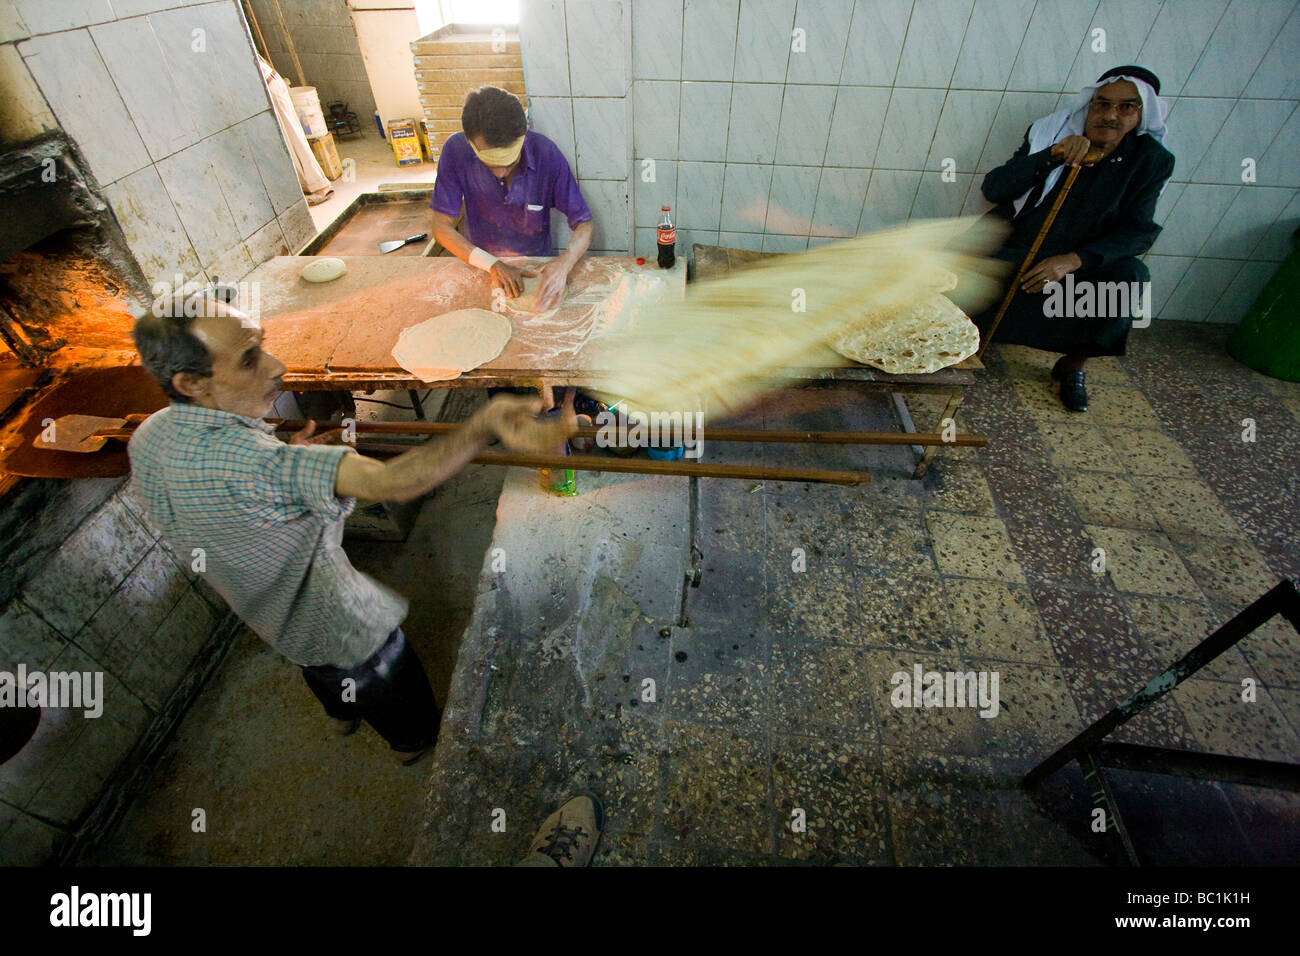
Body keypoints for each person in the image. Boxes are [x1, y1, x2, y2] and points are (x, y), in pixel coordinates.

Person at [128, 290, 574, 765]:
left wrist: (291, 460)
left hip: (261, 610)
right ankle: (412, 743)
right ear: (191, 383)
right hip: (331, 613)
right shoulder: (261, 466)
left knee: (316, 665)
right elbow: (396, 481)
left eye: (262, 343)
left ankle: (341, 716)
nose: (277, 367)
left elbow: (235, 487)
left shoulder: (150, 434)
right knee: (382, 667)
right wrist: (485, 422)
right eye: (249, 359)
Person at [973, 65, 1174, 411]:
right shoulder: (1053, 134)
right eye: (1101, 104)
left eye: (1126, 107)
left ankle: (1073, 365)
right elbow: (995, 188)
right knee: (966, 269)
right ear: (1090, 105)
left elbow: (1138, 231)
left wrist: (1074, 260)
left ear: (1141, 114)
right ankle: (968, 347)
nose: (1110, 115)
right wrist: (1053, 155)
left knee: (1130, 278)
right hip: (1022, 244)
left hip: (1084, 259)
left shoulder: (1151, 161)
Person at [430, 85, 594, 312]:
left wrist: (564, 264)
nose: (500, 172)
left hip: (535, 269)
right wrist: (491, 264)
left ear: (523, 134)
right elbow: (441, 227)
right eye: (491, 163)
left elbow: (584, 223)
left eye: (509, 162)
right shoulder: (456, 151)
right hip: (479, 265)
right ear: (470, 142)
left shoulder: (545, 153)